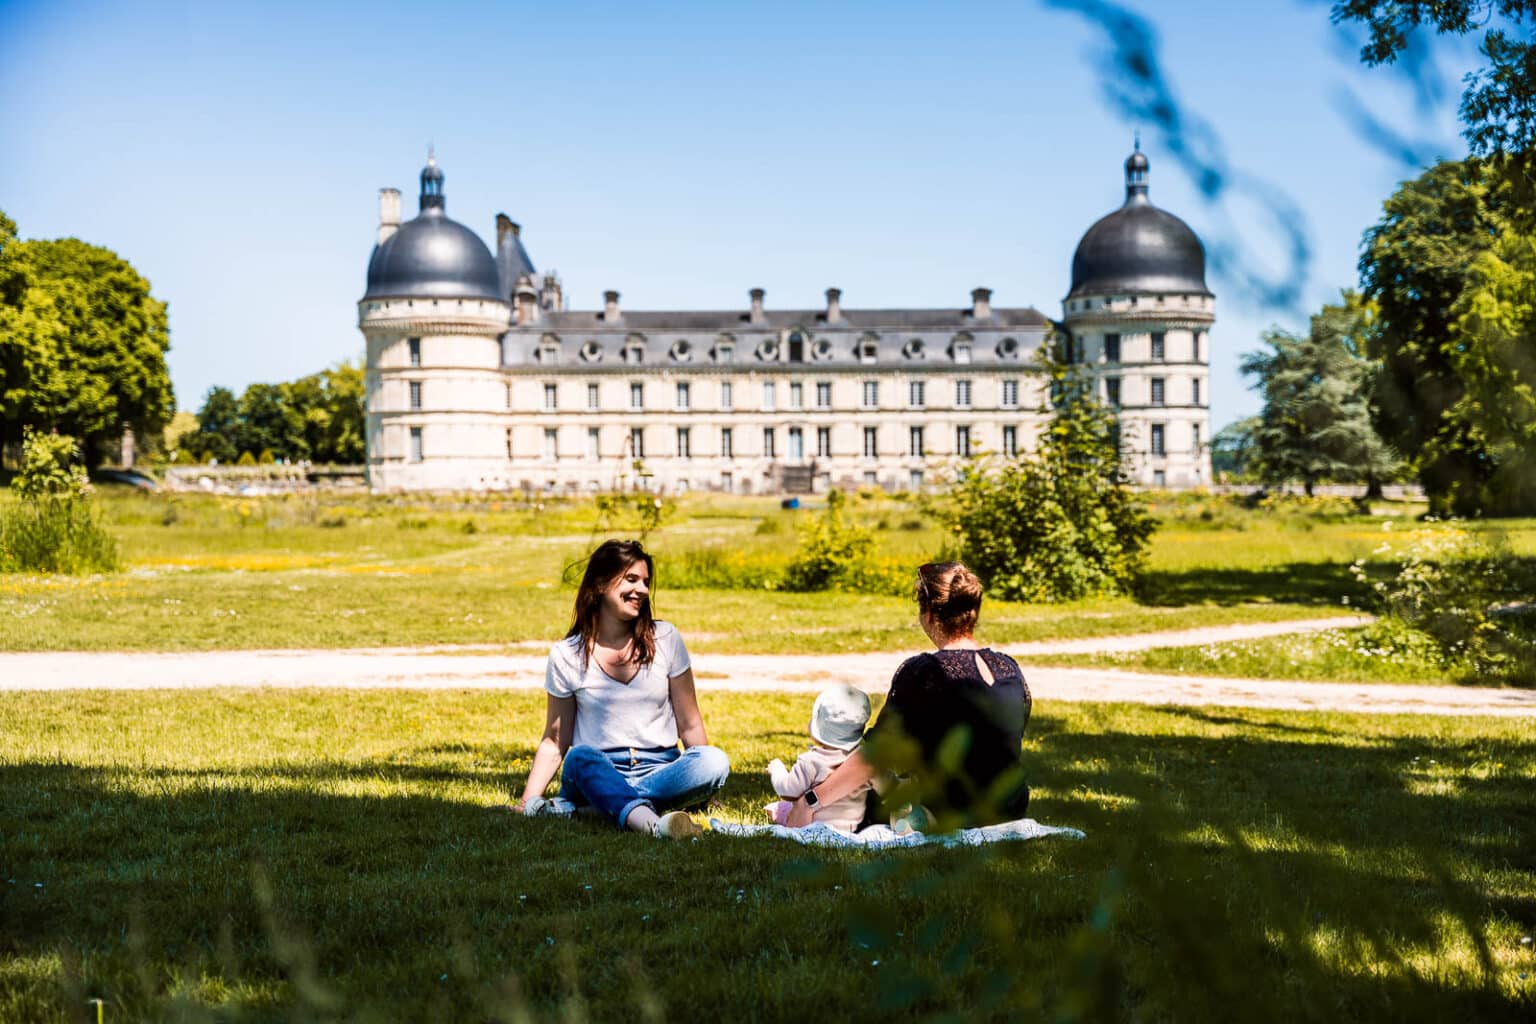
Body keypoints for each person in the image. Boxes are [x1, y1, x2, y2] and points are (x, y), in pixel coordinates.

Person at [784, 561, 1032, 831]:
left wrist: (810, 801)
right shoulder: (1009, 667)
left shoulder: (926, 672)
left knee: (861, 798)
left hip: (951, 815)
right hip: (1008, 810)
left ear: (928, 613)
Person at [513, 539, 730, 839]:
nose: (641, 589)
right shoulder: (567, 654)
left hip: (659, 769)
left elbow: (690, 722)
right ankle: (654, 826)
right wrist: (527, 801)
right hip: (597, 768)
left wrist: (707, 788)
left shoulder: (666, 638)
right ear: (601, 584)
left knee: (714, 761)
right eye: (631, 579)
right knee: (580, 758)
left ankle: (599, 806)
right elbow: (555, 741)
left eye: (645, 582)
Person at [765, 684, 873, 832]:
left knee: (781, 808)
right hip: (849, 829)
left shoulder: (811, 762)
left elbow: (787, 791)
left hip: (810, 828)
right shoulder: (867, 761)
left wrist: (777, 770)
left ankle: (778, 812)